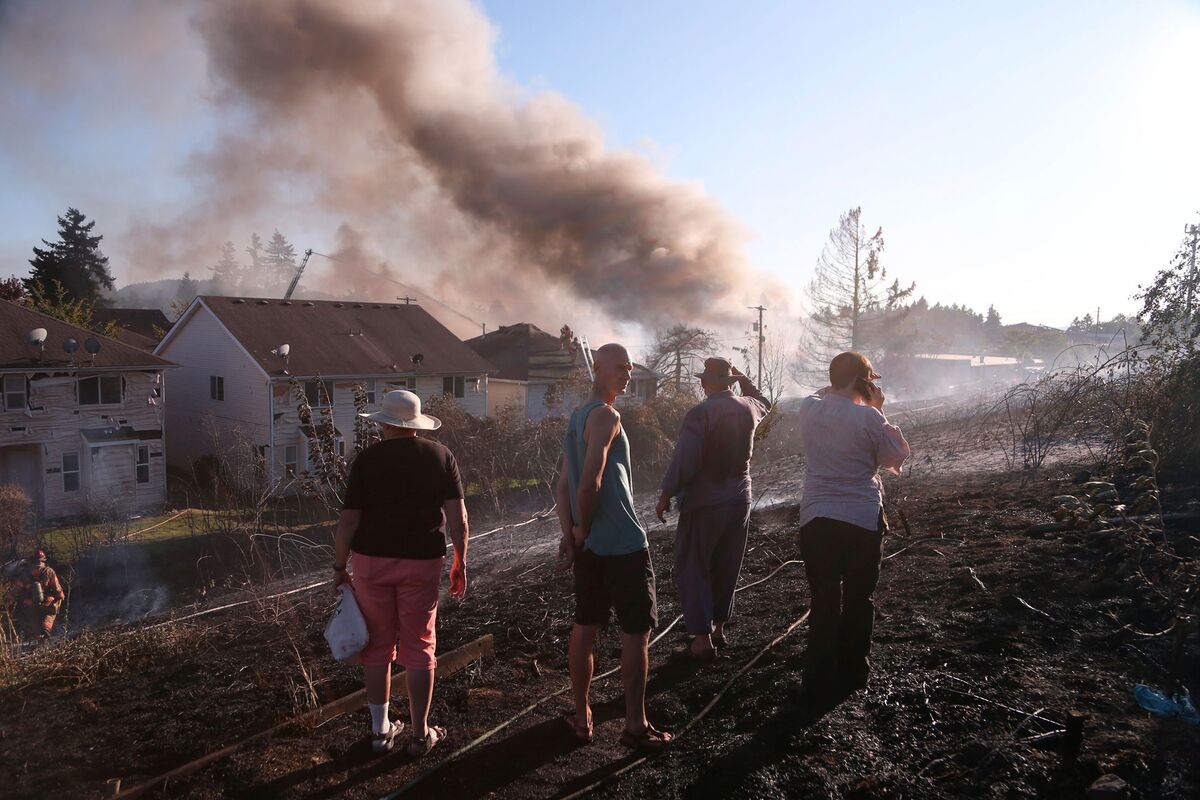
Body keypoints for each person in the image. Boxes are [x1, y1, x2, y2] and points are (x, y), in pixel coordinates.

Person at [332, 389, 468, 756]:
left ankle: (380, 732)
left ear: (386, 425)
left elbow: (348, 522)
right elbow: (459, 519)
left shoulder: (367, 460)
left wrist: (340, 566)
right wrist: (461, 560)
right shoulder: (441, 456)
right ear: (416, 424)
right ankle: (420, 735)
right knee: (420, 644)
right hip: (422, 563)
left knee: (377, 644)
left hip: (371, 563)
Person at [554, 343, 673, 751]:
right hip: (622, 543)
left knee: (585, 626)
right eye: (620, 368)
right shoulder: (606, 416)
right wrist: (581, 529)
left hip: (589, 547)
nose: (627, 375)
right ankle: (636, 726)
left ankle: (582, 717)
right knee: (635, 632)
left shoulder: (577, 417)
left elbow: (562, 487)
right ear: (598, 368)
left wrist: (571, 534)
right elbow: (589, 483)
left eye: (630, 368)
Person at [795, 351, 909, 703]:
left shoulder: (809, 408)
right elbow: (893, 458)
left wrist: (838, 388)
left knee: (824, 598)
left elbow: (819, 394)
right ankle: (853, 670)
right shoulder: (869, 417)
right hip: (860, 517)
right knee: (859, 598)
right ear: (862, 382)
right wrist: (878, 408)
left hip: (816, 517)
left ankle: (818, 674)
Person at [656, 358, 771, 663]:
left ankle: (701, 640)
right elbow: (764, 401)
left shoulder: (700, 414)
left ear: (704, 383)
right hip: (739, 497)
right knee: (727, 564)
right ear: (730, 383)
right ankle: (718, 629)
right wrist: (743, 378)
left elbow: (685, 460)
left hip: (704, 501)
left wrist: (666, 494)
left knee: (694, 567)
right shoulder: (748, 407)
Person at [8, 549, 64, 641]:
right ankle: (46, 629)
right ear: (43, 560)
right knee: (50, 613)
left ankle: (39, 640)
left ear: (33, 560)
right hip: (47, 602)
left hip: (30, 603)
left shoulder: (25, 573)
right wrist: (61, 596)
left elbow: (16, 589)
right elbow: (57, 588)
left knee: (33, 619)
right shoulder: (49, 571)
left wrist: (9, 600)